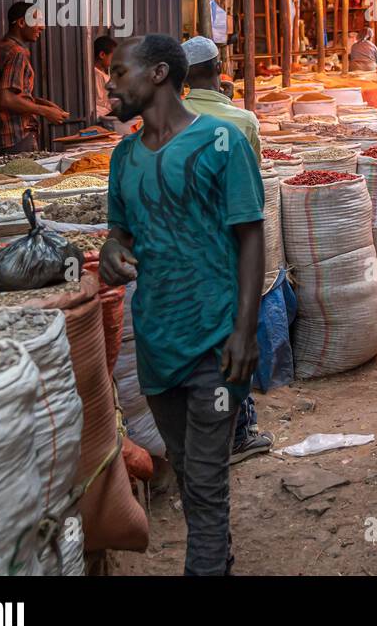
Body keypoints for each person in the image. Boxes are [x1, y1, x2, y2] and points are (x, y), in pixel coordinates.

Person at [98, 34, 265, 576]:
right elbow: (120, 236)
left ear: (160, 75)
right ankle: (221, 559)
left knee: (208, 479)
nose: (109, 81)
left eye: (120, 72)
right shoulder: (123, 158)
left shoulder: (221, 141)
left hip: (215, 342)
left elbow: (250, 238)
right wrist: (110, 252)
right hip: (157, 344)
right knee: (192, 472)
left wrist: (244, 330)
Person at [179, 36, 273, 463]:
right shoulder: (241, 122)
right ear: (219, 68)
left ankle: (202, 431)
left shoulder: (168, 121)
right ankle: (236, 432)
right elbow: (251, 194)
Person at [0, 0, 69, 154]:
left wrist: (43, 103)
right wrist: (45, 111)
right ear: (22, 23)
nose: (42, 27)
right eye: (37, 21)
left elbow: (10, 93)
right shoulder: (17, 53)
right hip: (16, 137)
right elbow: (6, 99)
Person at [180, 36, 261, 158]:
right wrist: (227, 104)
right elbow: (253, 167)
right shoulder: (246, 121)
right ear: (219, 67)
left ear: (184, 78)